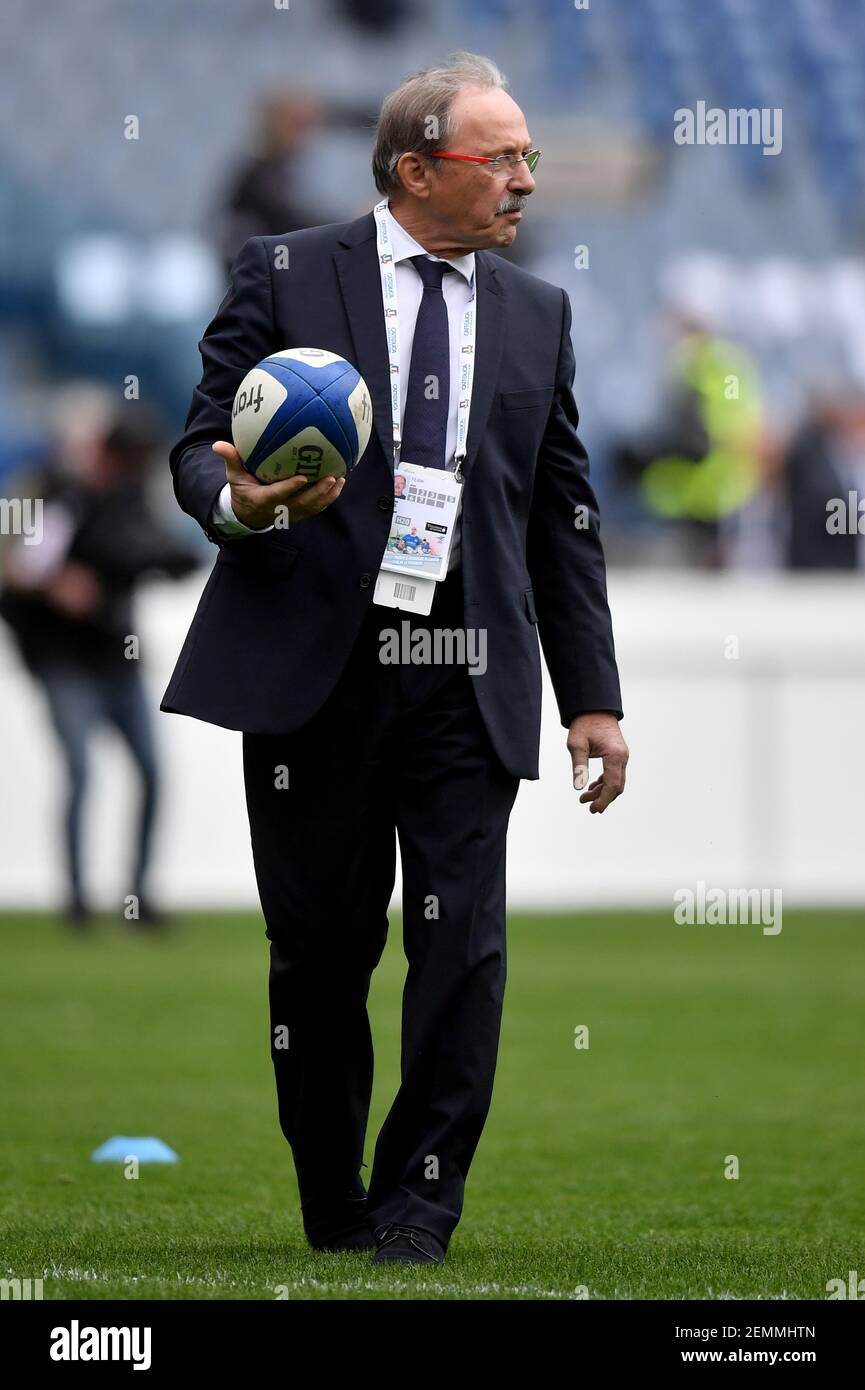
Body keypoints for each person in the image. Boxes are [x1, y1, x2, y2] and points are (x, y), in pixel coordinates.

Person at [162, 51, 627, 1266]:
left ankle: (420, 1204)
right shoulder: (283, 270)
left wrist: (593, 698)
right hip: (317, 671)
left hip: (468, 673)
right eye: (503, 158)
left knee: (462, 947)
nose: (526, 179)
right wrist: (242, 503)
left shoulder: (538, 310)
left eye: (528, 154)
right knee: (321, 953)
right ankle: (334, 1199)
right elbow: (196, 448)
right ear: (418, 169)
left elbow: (559, 512)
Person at [0, 408, 199, 926]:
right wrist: (55, 582)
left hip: (118, 661)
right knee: (81, 773)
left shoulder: (127, 502)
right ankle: (77, 900)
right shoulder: (55, 494)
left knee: (152, 772)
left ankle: (138, 896)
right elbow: (19, 567)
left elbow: (165, 554)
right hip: (65, 662)